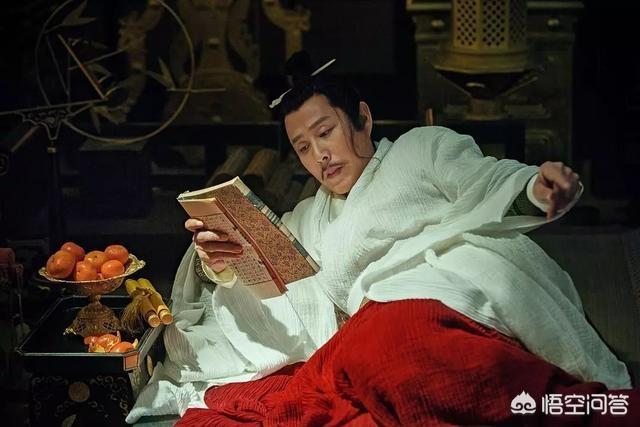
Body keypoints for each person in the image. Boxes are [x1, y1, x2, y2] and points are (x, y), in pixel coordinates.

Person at [127, 52, 636, 425]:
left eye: (325, 132)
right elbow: (284, 300)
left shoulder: (420, 150)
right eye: (302, 147)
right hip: (367, 341)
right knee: (369, 378)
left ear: (363, 119)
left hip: (442, 303)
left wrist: (536, 189)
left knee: (418, 362)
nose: (319, 155)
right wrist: (222, 262)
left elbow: (486, 181)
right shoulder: (308, 218)